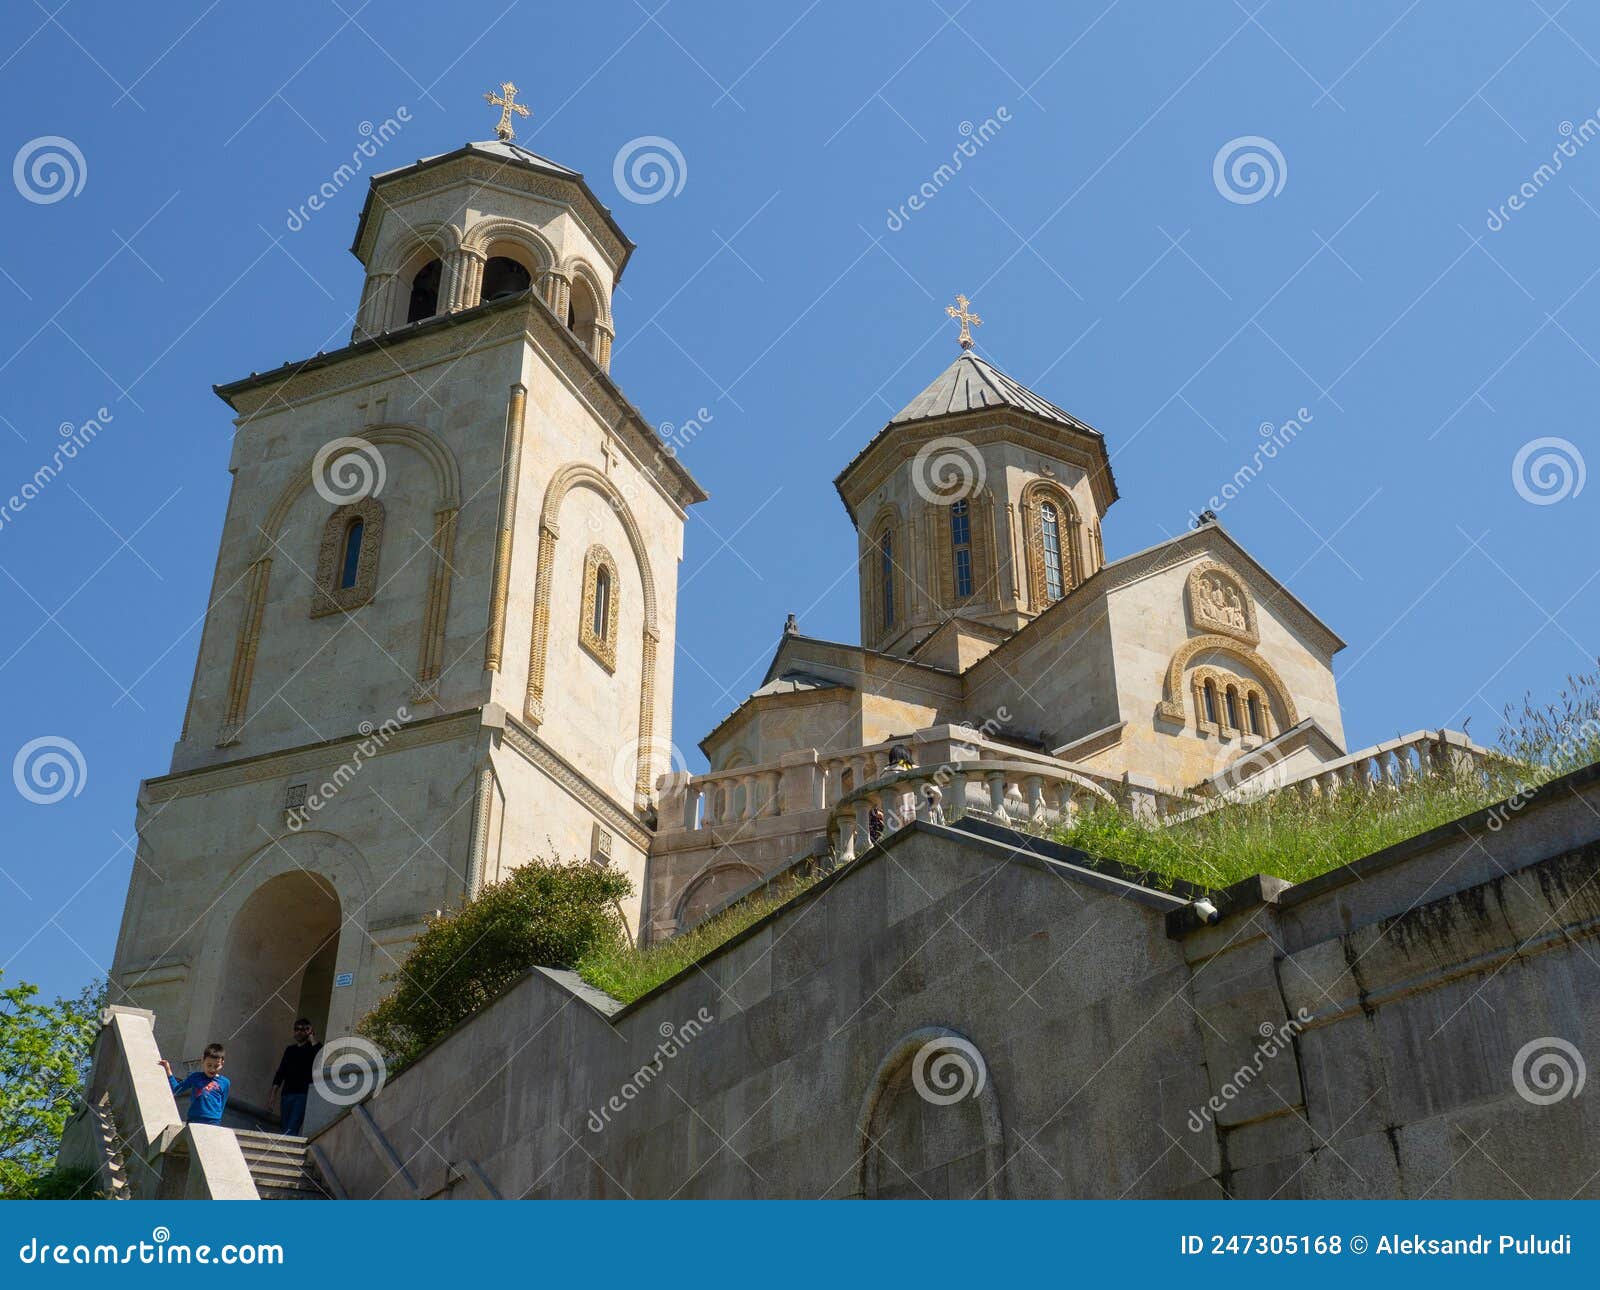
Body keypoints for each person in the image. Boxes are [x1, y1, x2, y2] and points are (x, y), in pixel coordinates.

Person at [268, 1018, 323, 1137]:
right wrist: (273, 1096)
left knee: (291, 1128)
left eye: (303, 1029)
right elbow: (280, 1073)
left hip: (302, 1094)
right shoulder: (290, 1050)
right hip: (286, 1094)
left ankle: (284, 1151)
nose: (299, 1032)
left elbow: (320, 1057)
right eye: (296, 1029)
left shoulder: (313, 1048)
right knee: (285, 1127)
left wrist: (311, 1036)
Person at [159, 1044, 230, 1126]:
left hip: (213, 1122)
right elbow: (176, 1090)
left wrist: (217, 1117)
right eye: (209, 1065)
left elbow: (222, 1104)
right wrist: (168, 1070)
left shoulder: (225, 1083)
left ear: (222, 1063)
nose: (212, 1069)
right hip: (194, 1120)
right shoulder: (195, 1077)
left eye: (216, 1066)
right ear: (202, 1061)